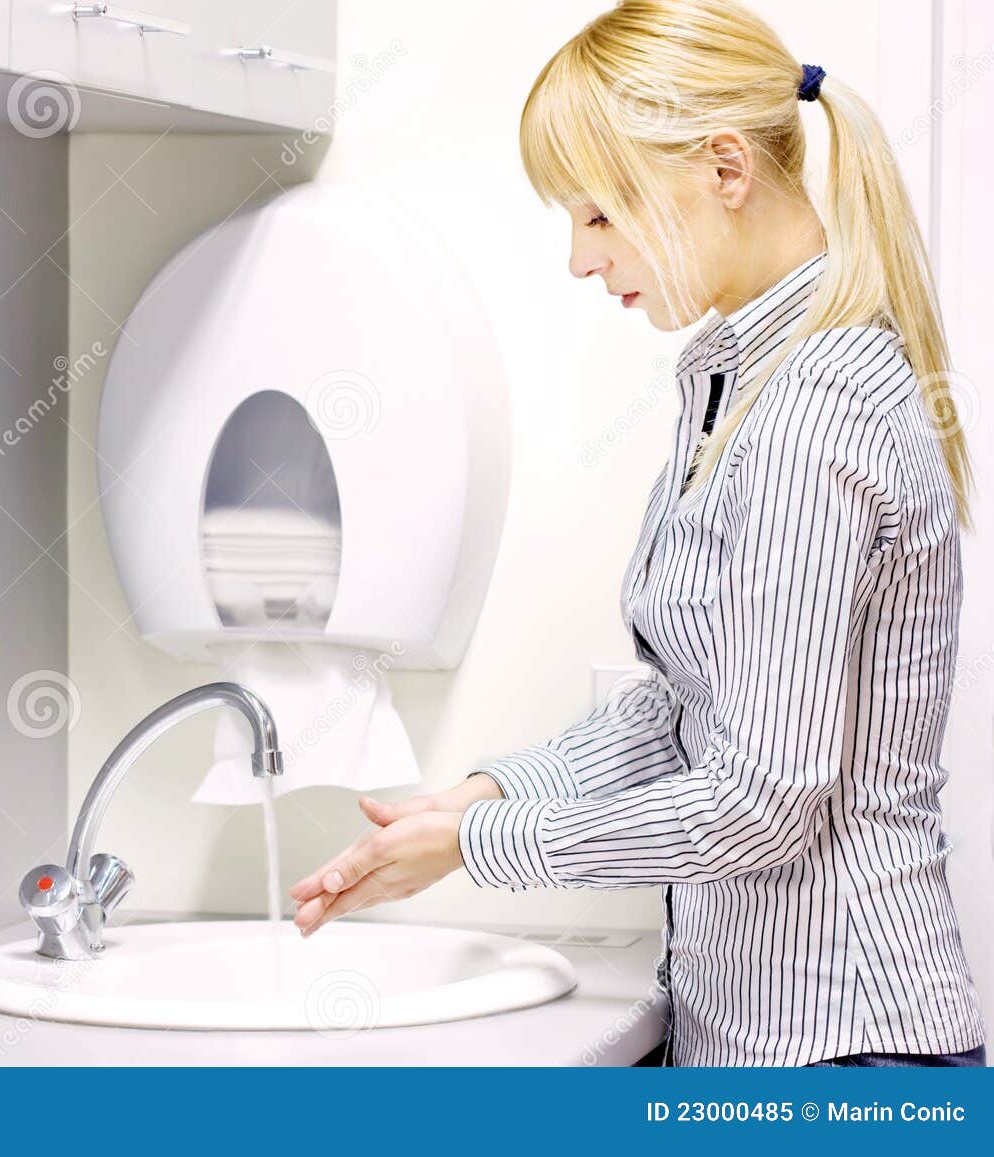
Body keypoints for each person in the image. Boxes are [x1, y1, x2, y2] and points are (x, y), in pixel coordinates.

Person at [288, 0, 986, 1068]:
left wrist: (479, 845)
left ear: (722, 168)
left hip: (842, 1058)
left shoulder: (811, 411)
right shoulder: (740, 386)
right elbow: (686, 706)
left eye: (598, 215)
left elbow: (758, 800)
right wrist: (489, 792)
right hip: (766, 1039)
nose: (576, 257)